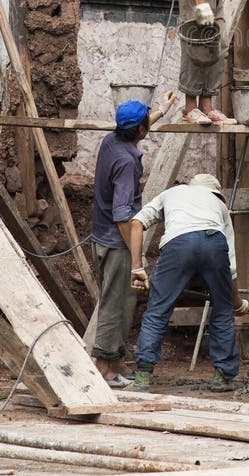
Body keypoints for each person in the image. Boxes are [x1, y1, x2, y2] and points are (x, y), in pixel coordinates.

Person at [126, 173, 249, 393]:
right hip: (214, 242)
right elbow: (230, 267)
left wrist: (137, 268)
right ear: (215, 193)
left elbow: (136, 223)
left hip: (178, 244)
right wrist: (237, 304)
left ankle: (142, 377)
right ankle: (222, 377)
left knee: (157, 310)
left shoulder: (172, 193)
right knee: (222, 310)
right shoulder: (220, 207)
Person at [90, 93, 176, 387]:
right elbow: (122, 214)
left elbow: (139, 125)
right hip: (117, 241)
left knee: (121, 303)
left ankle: (115, 363)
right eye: (145, 123)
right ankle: (103, 368)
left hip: (101, 236)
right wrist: (137, 261)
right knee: (115, 305)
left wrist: (163, 110)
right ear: (140, 130)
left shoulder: (111, 141)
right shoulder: (127, 162)